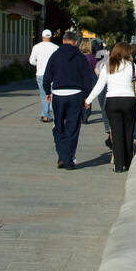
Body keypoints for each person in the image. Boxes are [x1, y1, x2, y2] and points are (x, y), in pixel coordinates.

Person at [85, 42, 136, 173]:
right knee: (128, 133)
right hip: (129, 100)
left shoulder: (108, 66)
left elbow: (99, 86)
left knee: (116, 134)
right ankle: (128, 163)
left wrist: (88, 100)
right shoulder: (132, 66)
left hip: (112, 101)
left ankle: (118, 165)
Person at [42, 29, 95, 170]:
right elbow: (87, 79)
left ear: (63, 41)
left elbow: (48, 75)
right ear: (76, 42)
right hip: (76, 95)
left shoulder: (55, 55)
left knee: (58, 127)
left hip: (58, 94)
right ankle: (68, 159)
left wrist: (47, 90)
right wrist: (87, 97)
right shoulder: (80, 57)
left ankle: (62, 155)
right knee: (72, 128)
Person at [28, 29, 59, 123]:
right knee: (53, 93)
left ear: (42, 36)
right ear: (51, 37)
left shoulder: (36, 47)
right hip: (53, 74)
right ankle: (51, 111)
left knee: (44, 94)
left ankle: (45, 114)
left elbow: (31, 61)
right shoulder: (56, 47)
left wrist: (38, 63)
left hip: (41, 73)